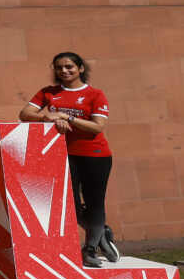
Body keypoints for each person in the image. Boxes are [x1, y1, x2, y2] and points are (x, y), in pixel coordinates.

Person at [21, 52, 117, 266]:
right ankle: (99, 231)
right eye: (59, 67)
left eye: (69, 66)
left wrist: (67, 117)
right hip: (64, 155)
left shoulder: (95, 94)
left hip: (96, 155)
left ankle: (90, 249)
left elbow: (97, 127)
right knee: (70, 206)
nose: (64, 71)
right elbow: (25, 113)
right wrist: (45, 117)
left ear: (80, 69)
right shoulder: (48, 93)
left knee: (94, 203)